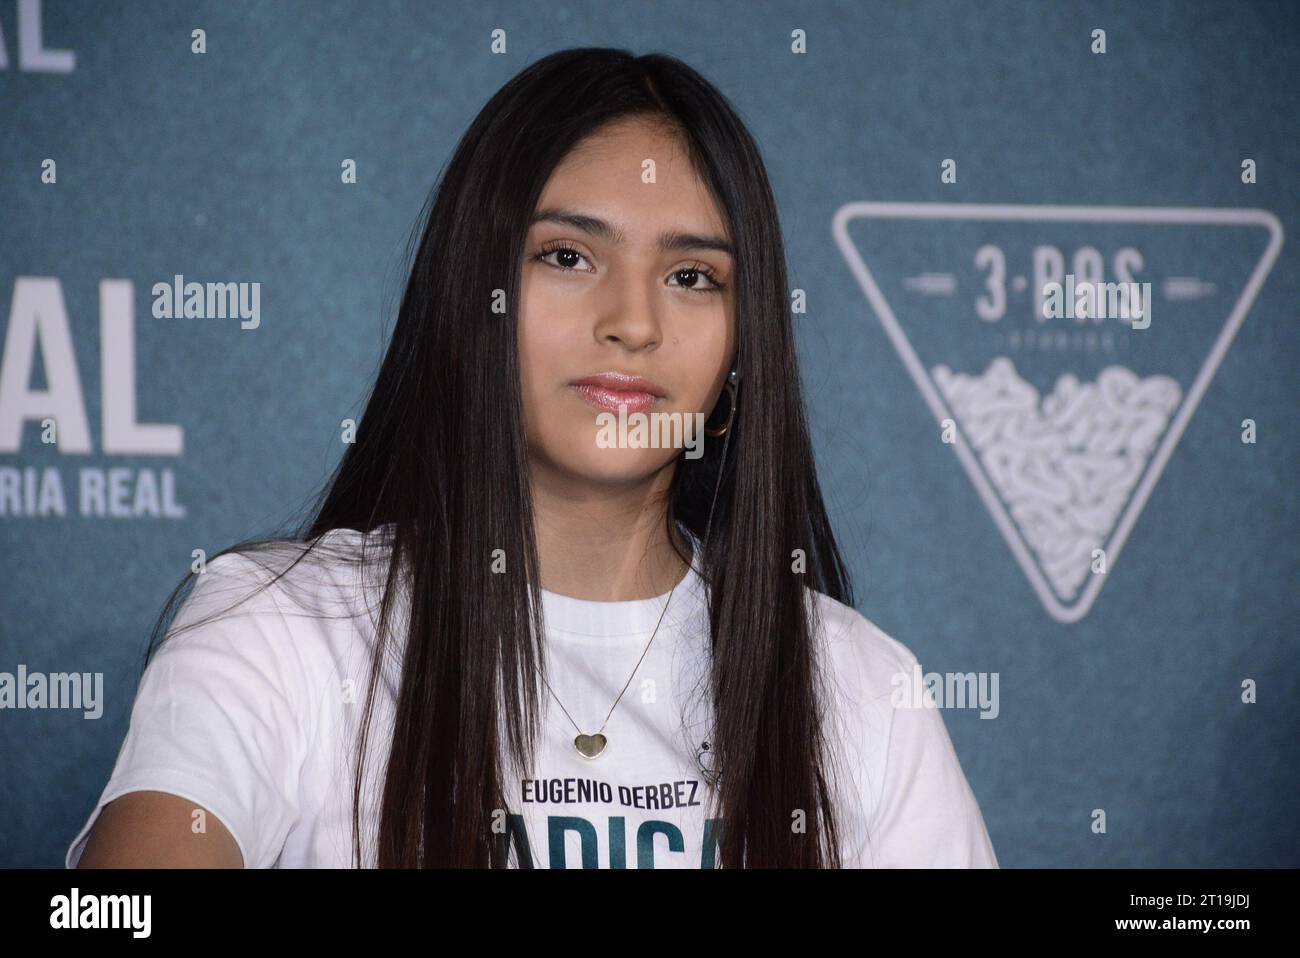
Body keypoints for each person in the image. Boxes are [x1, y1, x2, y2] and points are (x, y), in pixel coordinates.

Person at [66, 47, 997, 869]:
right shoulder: (281, 629)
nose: (633, 322)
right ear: (475, 291)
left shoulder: (863, 689)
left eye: (691, 277)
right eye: (567, 256)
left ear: (745, 339)